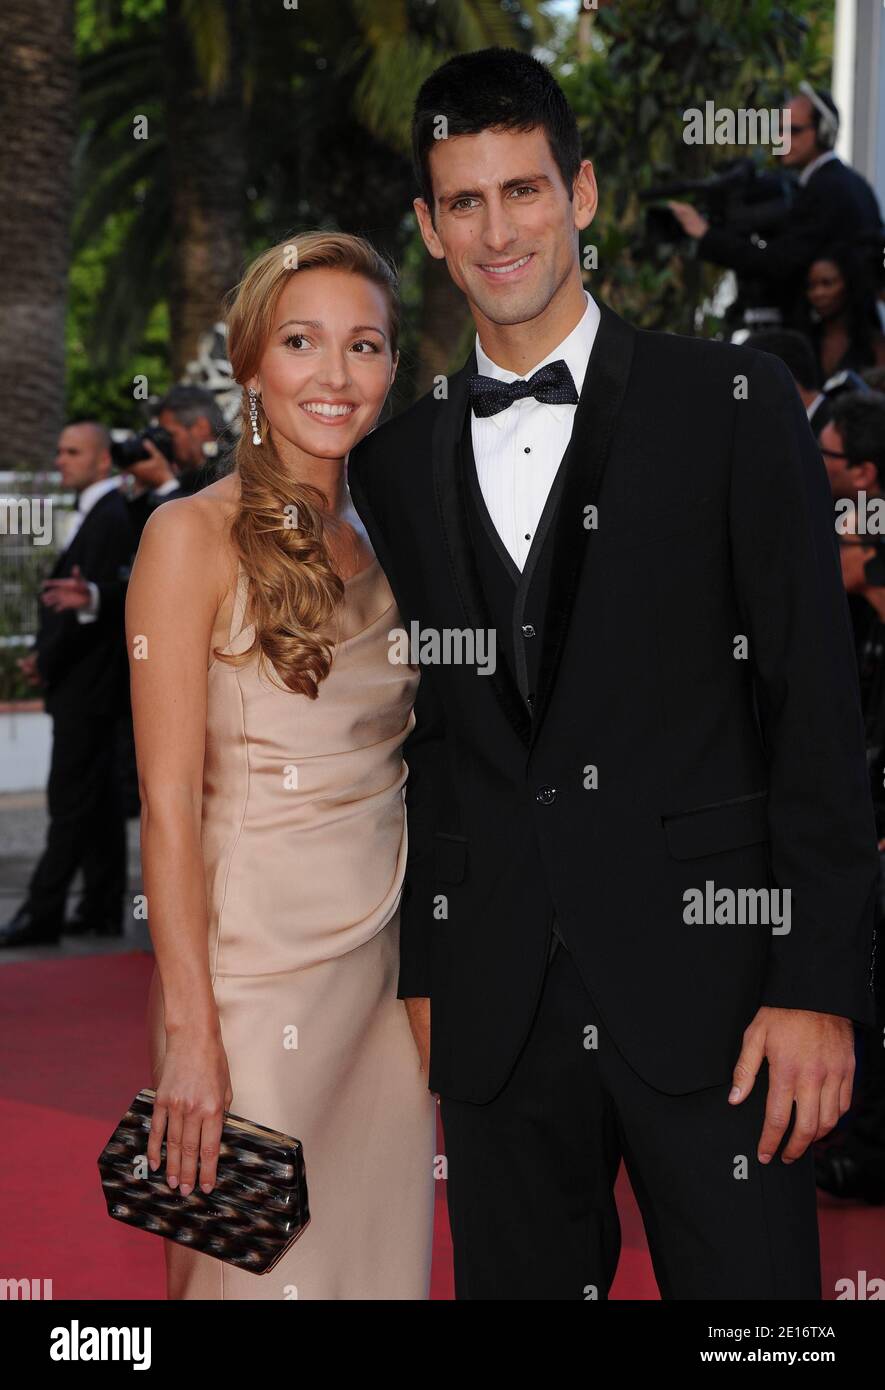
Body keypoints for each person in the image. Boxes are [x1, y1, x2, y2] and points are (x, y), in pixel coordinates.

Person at [347, 46, 879, 1300]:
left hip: (722, 1000)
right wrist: (432, 973)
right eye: (464, 201)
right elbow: (433, 744)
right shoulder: (396, 464)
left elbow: (814, 708)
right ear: (427, 227)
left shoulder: (736, 401)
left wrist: (817, 987)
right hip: (499, 1007)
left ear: (579, 194)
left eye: (522, 190)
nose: (498, 229)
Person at [129, 232, 435, 1300]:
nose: (336, 375)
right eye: (302, 342)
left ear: (395, 366)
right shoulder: (188, 535)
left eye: (366, 345)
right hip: (251, 999)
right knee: (245, 1282)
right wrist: (192, 1037)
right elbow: (167, 810)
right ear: (253, 365)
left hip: (383, 1000)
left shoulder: (401, 536)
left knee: (374, 1275)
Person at [0, 422, 135, 947]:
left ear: (104, 461)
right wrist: (43, 657)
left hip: (90, 690)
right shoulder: (98, 514)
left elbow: (100, 601)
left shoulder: (111, 517)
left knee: (69, 802)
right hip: (83, 686)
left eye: (73, 452)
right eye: (59, 451)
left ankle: (42, 914)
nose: (61, 460)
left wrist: (46, 660)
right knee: (97, 804)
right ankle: (100, 908)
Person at [670, 84, 883, 328]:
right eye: (779, 130)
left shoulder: (824, 189)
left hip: (837, 340)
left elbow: (779, 263)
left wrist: (706, 234)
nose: (781, 139)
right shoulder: (849, 183)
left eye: (793, 131)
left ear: (824, 132)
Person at [802, 244, 885, 380]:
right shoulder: (805, 342)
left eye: (827, 283)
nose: (818, 293)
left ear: (848, 285)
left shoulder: (875, 344)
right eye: (811, 286)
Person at [157, 384, 227, 495]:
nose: (167, 443)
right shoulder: (190, 475)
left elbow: (205, 510)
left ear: (201, 427)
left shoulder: (233, 470)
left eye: (171, 435)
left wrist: (166, 483)